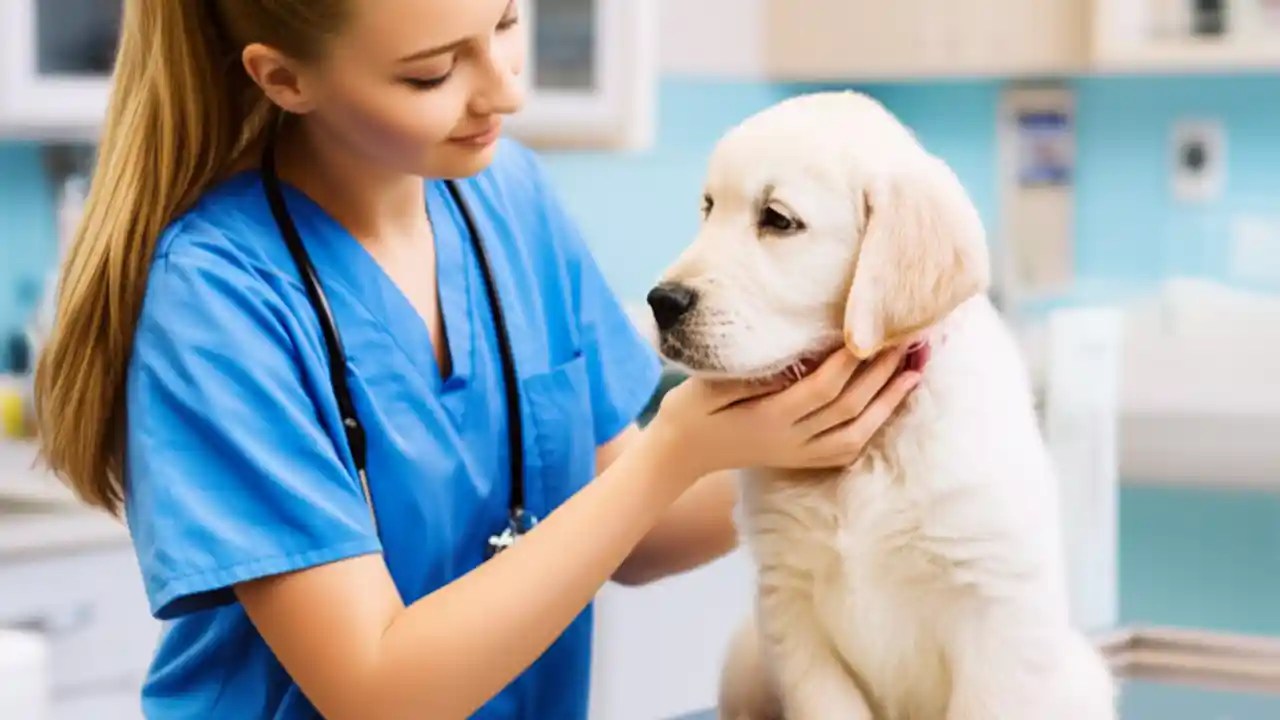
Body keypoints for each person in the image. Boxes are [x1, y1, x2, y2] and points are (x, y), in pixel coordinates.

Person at [33, 1, 922, 718]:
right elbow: (376, 694)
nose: (503, 90)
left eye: (504, 23)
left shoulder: (510, 200)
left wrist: (827, 433)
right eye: (432, 71)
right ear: (284, 77)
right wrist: (678, 449)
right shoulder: (220, 298)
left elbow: (631, 531)